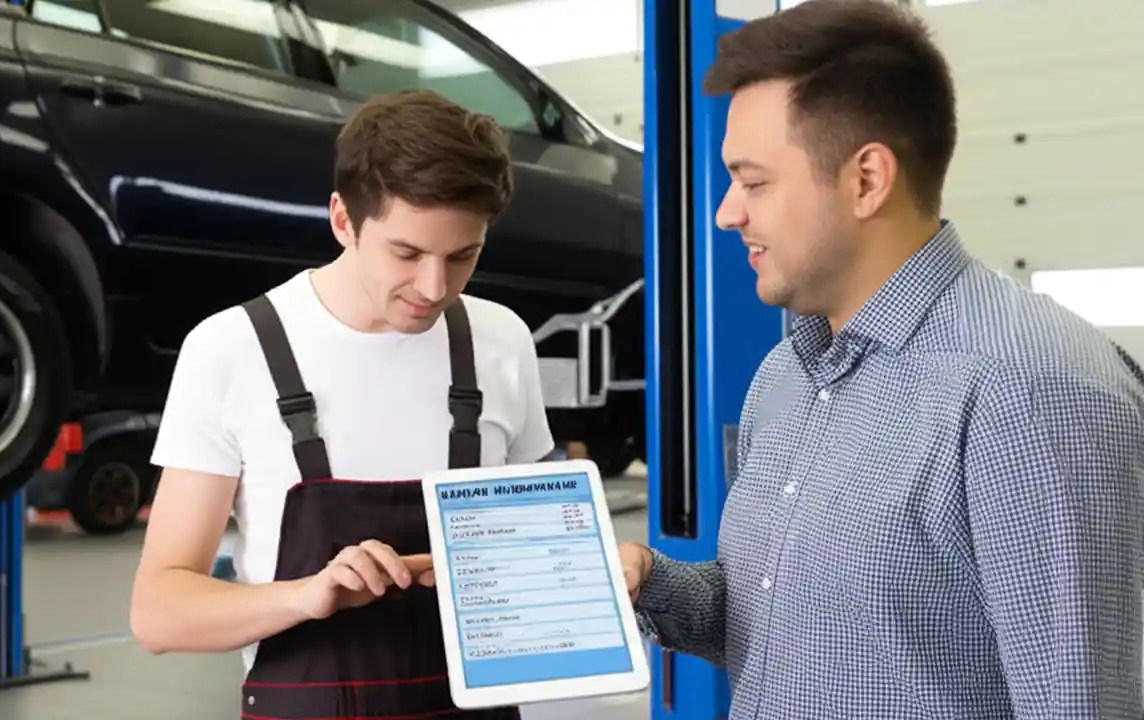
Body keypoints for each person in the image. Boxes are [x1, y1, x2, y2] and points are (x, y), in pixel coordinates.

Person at [618, 1, 1144, 718]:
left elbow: (1079, 701)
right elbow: (781, 622)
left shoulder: (1029, 391)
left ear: (867, 179)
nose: (726, 213)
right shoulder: (789, 375)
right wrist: (654, 583)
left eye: (754, 181)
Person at [130, 89, 554, 718]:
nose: (434, 288)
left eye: (463, 256)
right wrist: (308, 596)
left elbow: (547, 559)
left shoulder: (501, 341)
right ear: (342, 220)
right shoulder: (232, 349)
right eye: (407, 254)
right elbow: (160, 613)